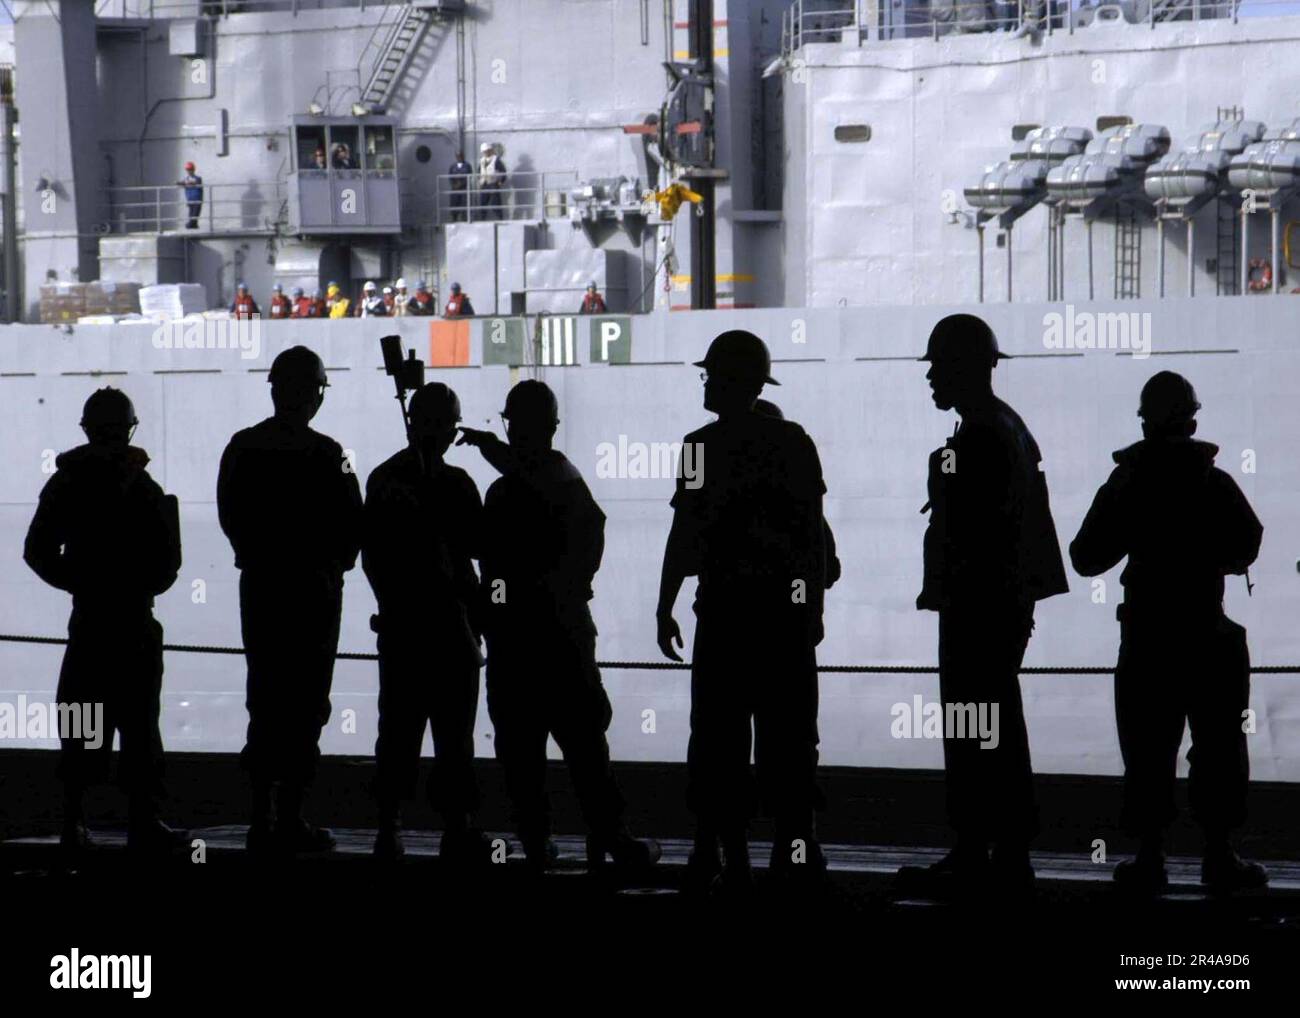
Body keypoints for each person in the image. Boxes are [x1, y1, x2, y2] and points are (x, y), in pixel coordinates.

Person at [1069, 371, 1267, 895]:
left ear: (1144, 421)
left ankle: (1150, 857)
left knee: (1147, 749)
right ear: (1192, 420)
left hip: (1148, 637)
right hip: (1208, 632)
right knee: (1219, 750)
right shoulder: (1214, 481)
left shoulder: (1128, 480)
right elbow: (1246, 545)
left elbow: (1086, 556)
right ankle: (1220, 858)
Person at [456, 381, 659, 873]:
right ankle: (610, 837)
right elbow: (573, 532)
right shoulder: (567, 483)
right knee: (587, 746)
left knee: (520, 752)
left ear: (511, 424)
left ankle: (533, 841)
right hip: (564, 635)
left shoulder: (503, 492)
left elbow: (489, 555)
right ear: (552, 426)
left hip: (512, 641)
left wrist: (489, 611)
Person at [656, 332, 829, 892]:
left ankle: (721, 853)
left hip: (724, 619)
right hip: (781, 621)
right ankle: (793, 851)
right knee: (790, 741)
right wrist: (811, 610)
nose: (705, 383)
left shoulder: (699, 448)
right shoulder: (793, 443)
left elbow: (684, 535)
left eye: (712, 375)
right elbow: (811, 541)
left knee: (716, 742)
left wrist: (665, 605)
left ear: (732, 381)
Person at [904, 313, 1068, 899]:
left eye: (937, 369)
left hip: (977, 605)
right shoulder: (1006, 428)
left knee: (973, 724)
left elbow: (973, 526)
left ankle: (979, 848)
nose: (929, 381)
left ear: (961, 369)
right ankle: (1001, 848)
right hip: (998, 602)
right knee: (993, 724)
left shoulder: (979, 436)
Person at [24, 388, 184, 856]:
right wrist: (134, 586)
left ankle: (73, 820)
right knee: (139, 727)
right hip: (134, 623)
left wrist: (80, 583)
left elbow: (37, 551)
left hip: (89, 624)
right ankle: (143, 821)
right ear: (128, 428)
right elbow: (168, 563)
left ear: (87, 429)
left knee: (81, 725)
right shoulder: (143, 486)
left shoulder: (66, 483)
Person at [217, 346, 363, 855]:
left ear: (276, 389)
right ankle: (293, 816)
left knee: (266, 698)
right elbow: (353, 528)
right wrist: (328, 567)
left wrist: (259, 559)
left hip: (262, 590)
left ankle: (260, 817)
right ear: (316, 395)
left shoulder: (242, 446)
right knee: (305, 704)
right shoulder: (331, 453)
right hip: (314, 596)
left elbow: (231, 516)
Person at [363, 383, 491, 863]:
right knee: (446, 734)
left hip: (408, 625)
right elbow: (479, 551)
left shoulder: (388, 479)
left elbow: (373, 555)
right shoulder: (452, 483)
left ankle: (390, 827)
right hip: (442, 624)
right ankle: (453, 827)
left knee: (401, 730)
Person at [476, 142, 507, 221]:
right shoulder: (482, 160)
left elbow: (503, 171)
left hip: (493, 183)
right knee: (483, 202)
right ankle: (482, 218)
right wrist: (479, 180)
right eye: (484, 151)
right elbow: (479, 171)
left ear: (490, 150)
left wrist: (501, 181)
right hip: (484, 184)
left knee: (495, 202)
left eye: (487, 151)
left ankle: (500, 218)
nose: (485, 153)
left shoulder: (496, 160)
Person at [448, 151, 473, 222]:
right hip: (455, 189)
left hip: (464, 188)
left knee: (464, 203)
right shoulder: (453, 166)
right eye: (458, 156)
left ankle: (465, 218)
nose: (459, 157)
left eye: (461, 156)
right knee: (454, 203)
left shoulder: (467, 165)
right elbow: (450, 177)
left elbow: (469, 176)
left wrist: (461, 184)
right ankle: (454, 217)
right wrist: (454, 184)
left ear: (463, 156)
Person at [178, 161, 203, 229]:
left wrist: (184, 183)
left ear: (193, 170)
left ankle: (189, 227)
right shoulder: (186, 179)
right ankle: (194, 232)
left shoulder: (198, 178)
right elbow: (180, 183)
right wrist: (179, 183)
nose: (189, 171)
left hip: (197, 201)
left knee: (193, 218)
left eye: (190, 169)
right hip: (190, 201)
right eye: (188, 170)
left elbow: (195, 182)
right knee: (192, 219)